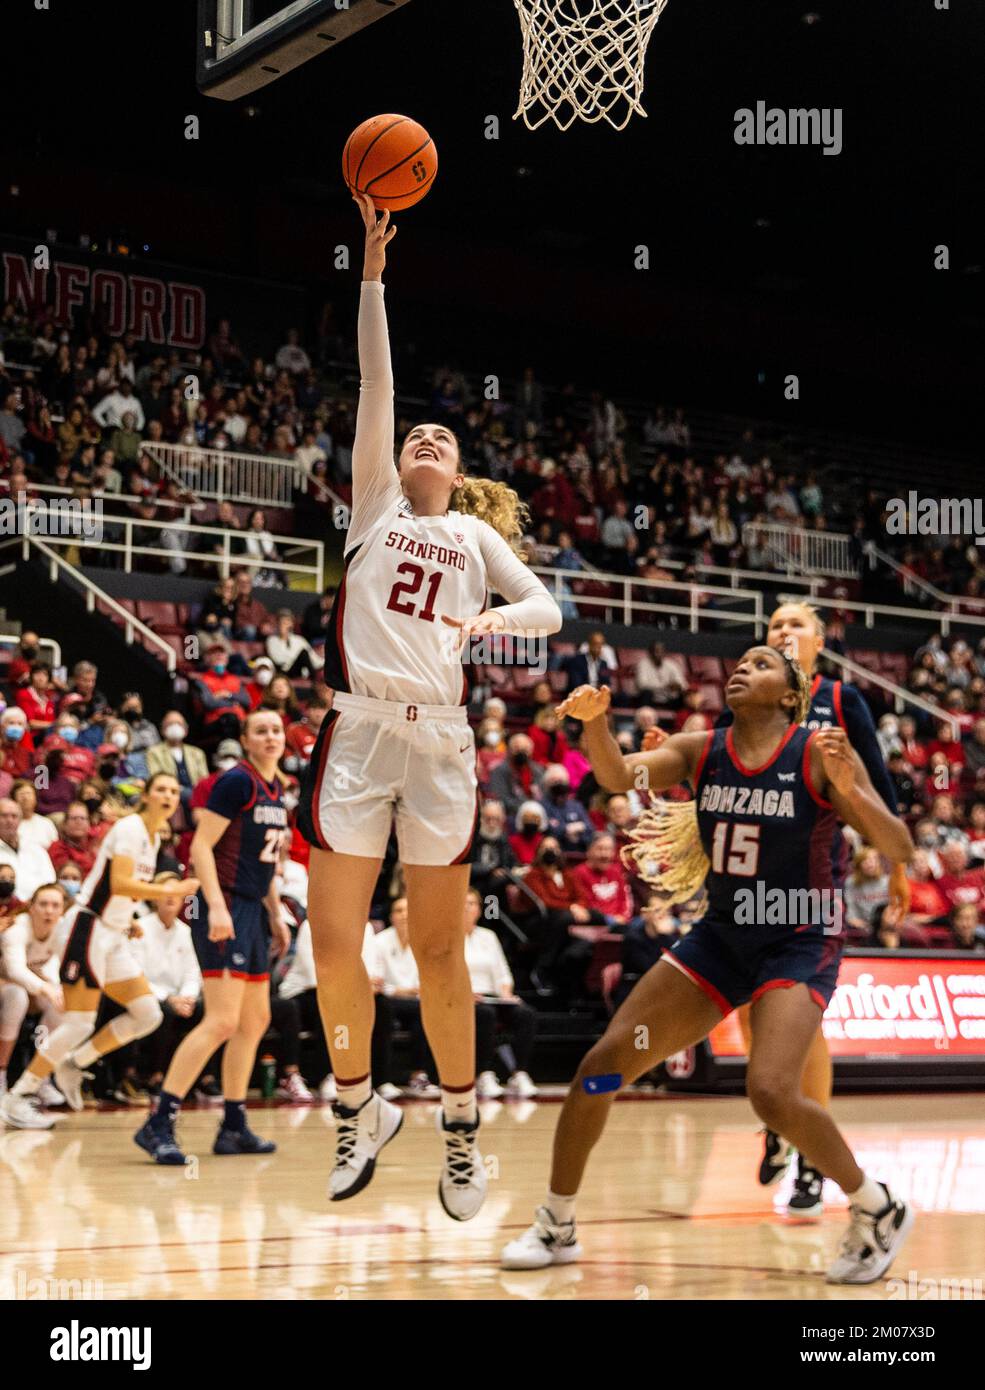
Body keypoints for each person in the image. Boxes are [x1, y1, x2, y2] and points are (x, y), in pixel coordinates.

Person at [296, 196, 562, 1219]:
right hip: (358, 732)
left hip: (441, 747)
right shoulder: (374, 504)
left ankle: (460, 1130)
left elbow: (542, 602)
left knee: (442, 949)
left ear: (459, 475)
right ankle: (361, 1108)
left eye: (442, 439)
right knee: (334, 942)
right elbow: (377, 379)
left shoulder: (471, 544)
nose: (424, 437)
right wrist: (370, 271)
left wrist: (489, 624)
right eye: (416, 434)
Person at [502, 649, 915, 1285]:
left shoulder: (817, 751)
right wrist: (597, 727)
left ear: (789, 696)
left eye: (761, 665)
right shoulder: (703, 749)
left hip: (798, 937)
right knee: (600, 1068)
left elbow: (900, 846)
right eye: (739, 662)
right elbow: (618, 777)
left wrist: (852, 786)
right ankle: (557, 1221)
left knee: (772, 1091)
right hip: (722, 939)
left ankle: (875, 1205)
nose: (741, 669)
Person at [716, 601, 910, 1216]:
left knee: (801, 1016)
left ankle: (809, 1161)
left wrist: (899, 870)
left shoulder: (842, 699)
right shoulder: (751, 696)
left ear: (821, 641)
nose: (782, 632)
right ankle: (777, 1120)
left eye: (796, 624)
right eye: (775, 625)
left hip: (810, 880)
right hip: (746, 878)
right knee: (751, 1008)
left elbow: (876, 787)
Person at [0, 774, 198, 1130]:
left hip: (112, 933)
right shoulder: (131, 828)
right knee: (78, 1023)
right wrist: (172, 890)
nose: (169, 795)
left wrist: (128, 919)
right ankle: (18, 1096)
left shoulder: (152, 838)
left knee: (147, 1013)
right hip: (87, 930)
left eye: (173, 790)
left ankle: (75, 1064)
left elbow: (123, 892)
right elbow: (120, 882)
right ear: (147, 797)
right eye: (161, 789)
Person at [134, 711, 290, 1163]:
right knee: (221, 1020)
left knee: (254, 1020)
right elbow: (200, 847)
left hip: (252, 908)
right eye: (260, 730)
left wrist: (275, 914)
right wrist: (217, 905)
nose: (271, 737)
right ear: (245, 740)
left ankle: (234, 1125)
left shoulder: (278, 790)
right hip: (223, 907)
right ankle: (159, 1121)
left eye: (277, 730)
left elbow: (265, 864)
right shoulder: (236, 783)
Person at [462, 888, 538, 1099]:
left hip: (492, 996)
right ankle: (483, 1074)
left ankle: (519, 1074)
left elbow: (502, 972)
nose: (467, 908)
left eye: (472, 903)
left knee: (526, 1014)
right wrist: (463, 994)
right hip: (462, 999)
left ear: (479, 909)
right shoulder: (447, 938)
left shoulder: (488, 936)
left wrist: (506, 993)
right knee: (485, 1014)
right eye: (463, 903)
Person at [0, 883, 66, 1105]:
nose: (49, 910)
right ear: (32, 907)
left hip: (31, 984)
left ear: (62, 910)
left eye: (55, 905)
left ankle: (40, 1077)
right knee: (17, 997)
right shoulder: (18, 929)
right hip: (7, 983)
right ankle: (1, 1076)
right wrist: (45, 987)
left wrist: (51, 987)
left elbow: (61, 969)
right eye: (44, 904)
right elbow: (14, 970)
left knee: (59, 1005)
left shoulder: (62, 930)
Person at [0, 798, 56, 900]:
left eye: (14, 816)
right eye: (4, 816)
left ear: (20, 820)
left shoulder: (35, 848)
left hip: (38, 906)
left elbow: (50, 881)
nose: (9, 820)